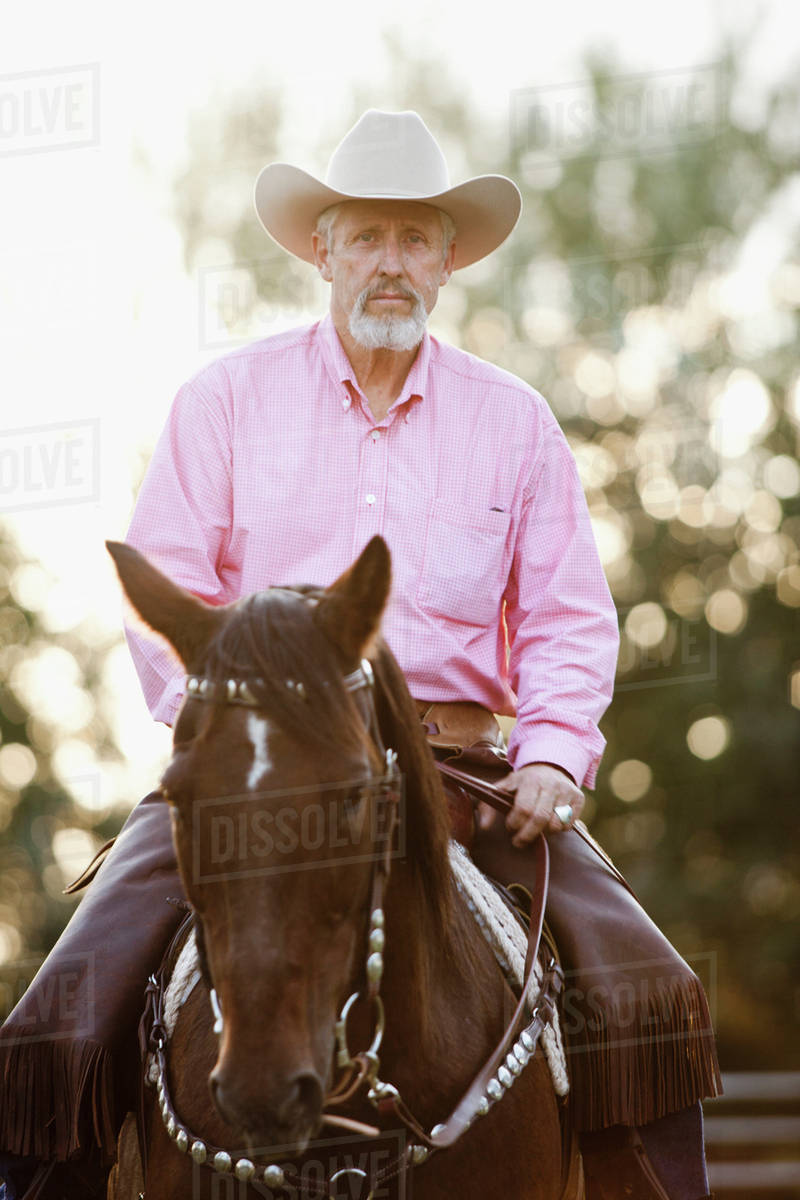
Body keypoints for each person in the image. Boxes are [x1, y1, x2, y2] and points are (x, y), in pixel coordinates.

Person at [0, 110, 720, 1200]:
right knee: (63, 1015)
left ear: (445, 259)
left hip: (465, 772)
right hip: (258, 765)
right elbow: (168, 588)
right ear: (322, 251)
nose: (391, 262)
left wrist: (556, 755)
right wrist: (231, 731)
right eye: (367, 238)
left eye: (414, 239)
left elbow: (567, 618)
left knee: (645, 997)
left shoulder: (514, 423)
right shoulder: (224, 402)